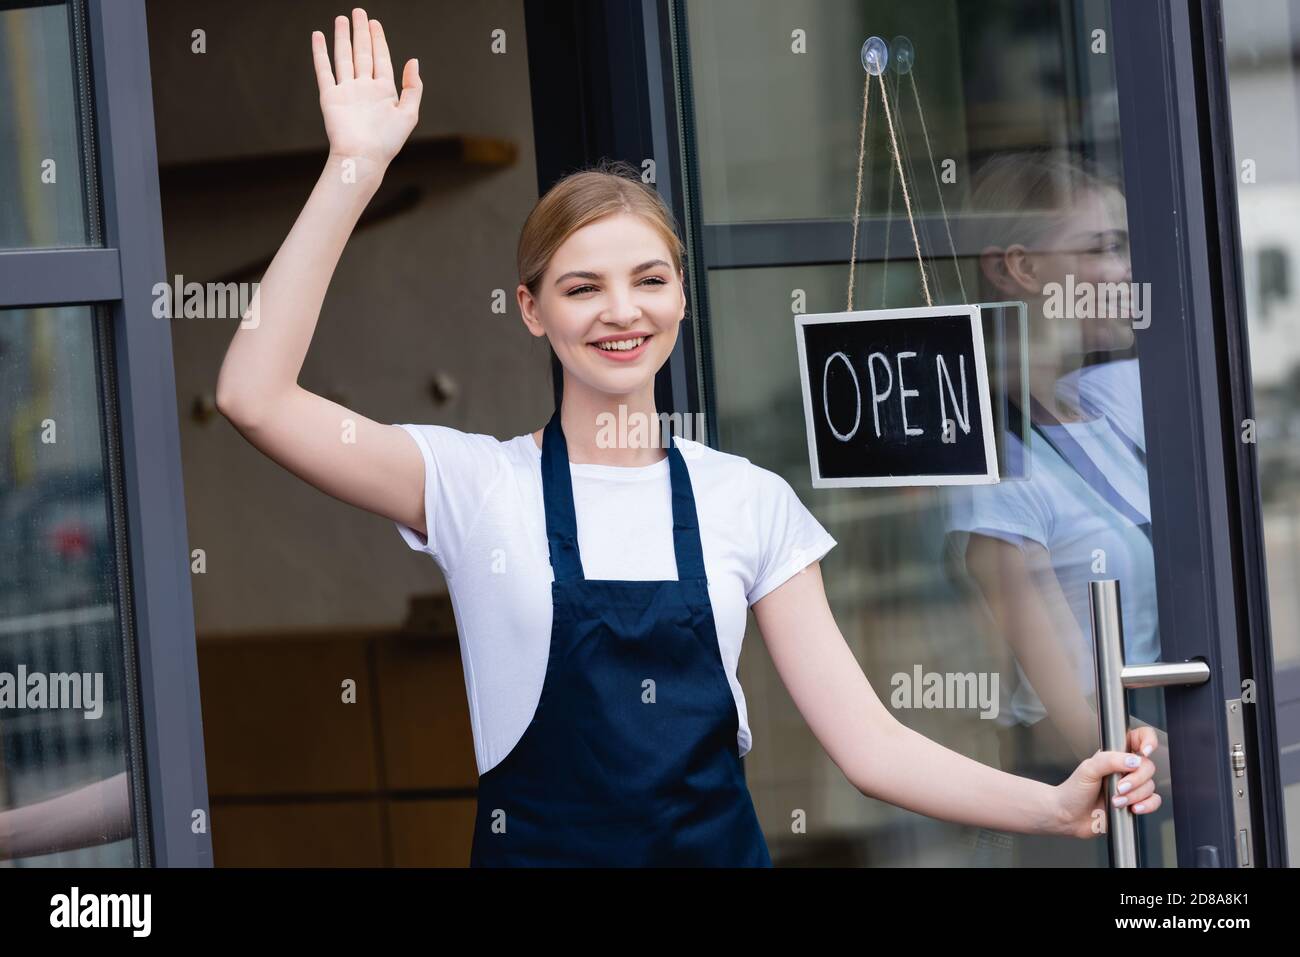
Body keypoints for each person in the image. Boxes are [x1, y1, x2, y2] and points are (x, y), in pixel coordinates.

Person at [209, 9, 1161, 867]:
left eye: (648, 279)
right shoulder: (472, 484)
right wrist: (353, 172)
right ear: (531, 311)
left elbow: (871, 747)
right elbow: (254, 397)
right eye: (582, 287)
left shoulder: (747, 500)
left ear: (680, 296)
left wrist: (1054, 807)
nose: (620, 312)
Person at [944, 151, 1169, 866]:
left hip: (1151, 759)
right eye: (1103, 247)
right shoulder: (998, 466)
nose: (1128, 269)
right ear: (1019, 268)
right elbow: (1064, 715)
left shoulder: (1104, 400)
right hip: (1091, 799)